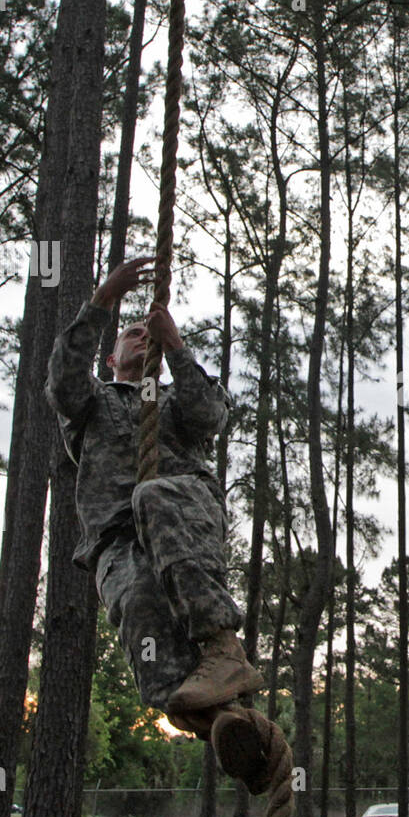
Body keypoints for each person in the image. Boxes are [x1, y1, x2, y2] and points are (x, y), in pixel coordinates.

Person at [45, 255, 266, 782]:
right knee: (152, 649)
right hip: (119, 544)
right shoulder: (93, 403)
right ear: (112, 353)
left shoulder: (173, 398)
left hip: (181, 512)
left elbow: (209, 415)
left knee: (152, 493)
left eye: (149, 331)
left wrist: (180, 349)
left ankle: (221, 646)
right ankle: (227, 731)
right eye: (131, 332)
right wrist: (103, 299)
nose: (141, 335)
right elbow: (62, 380)